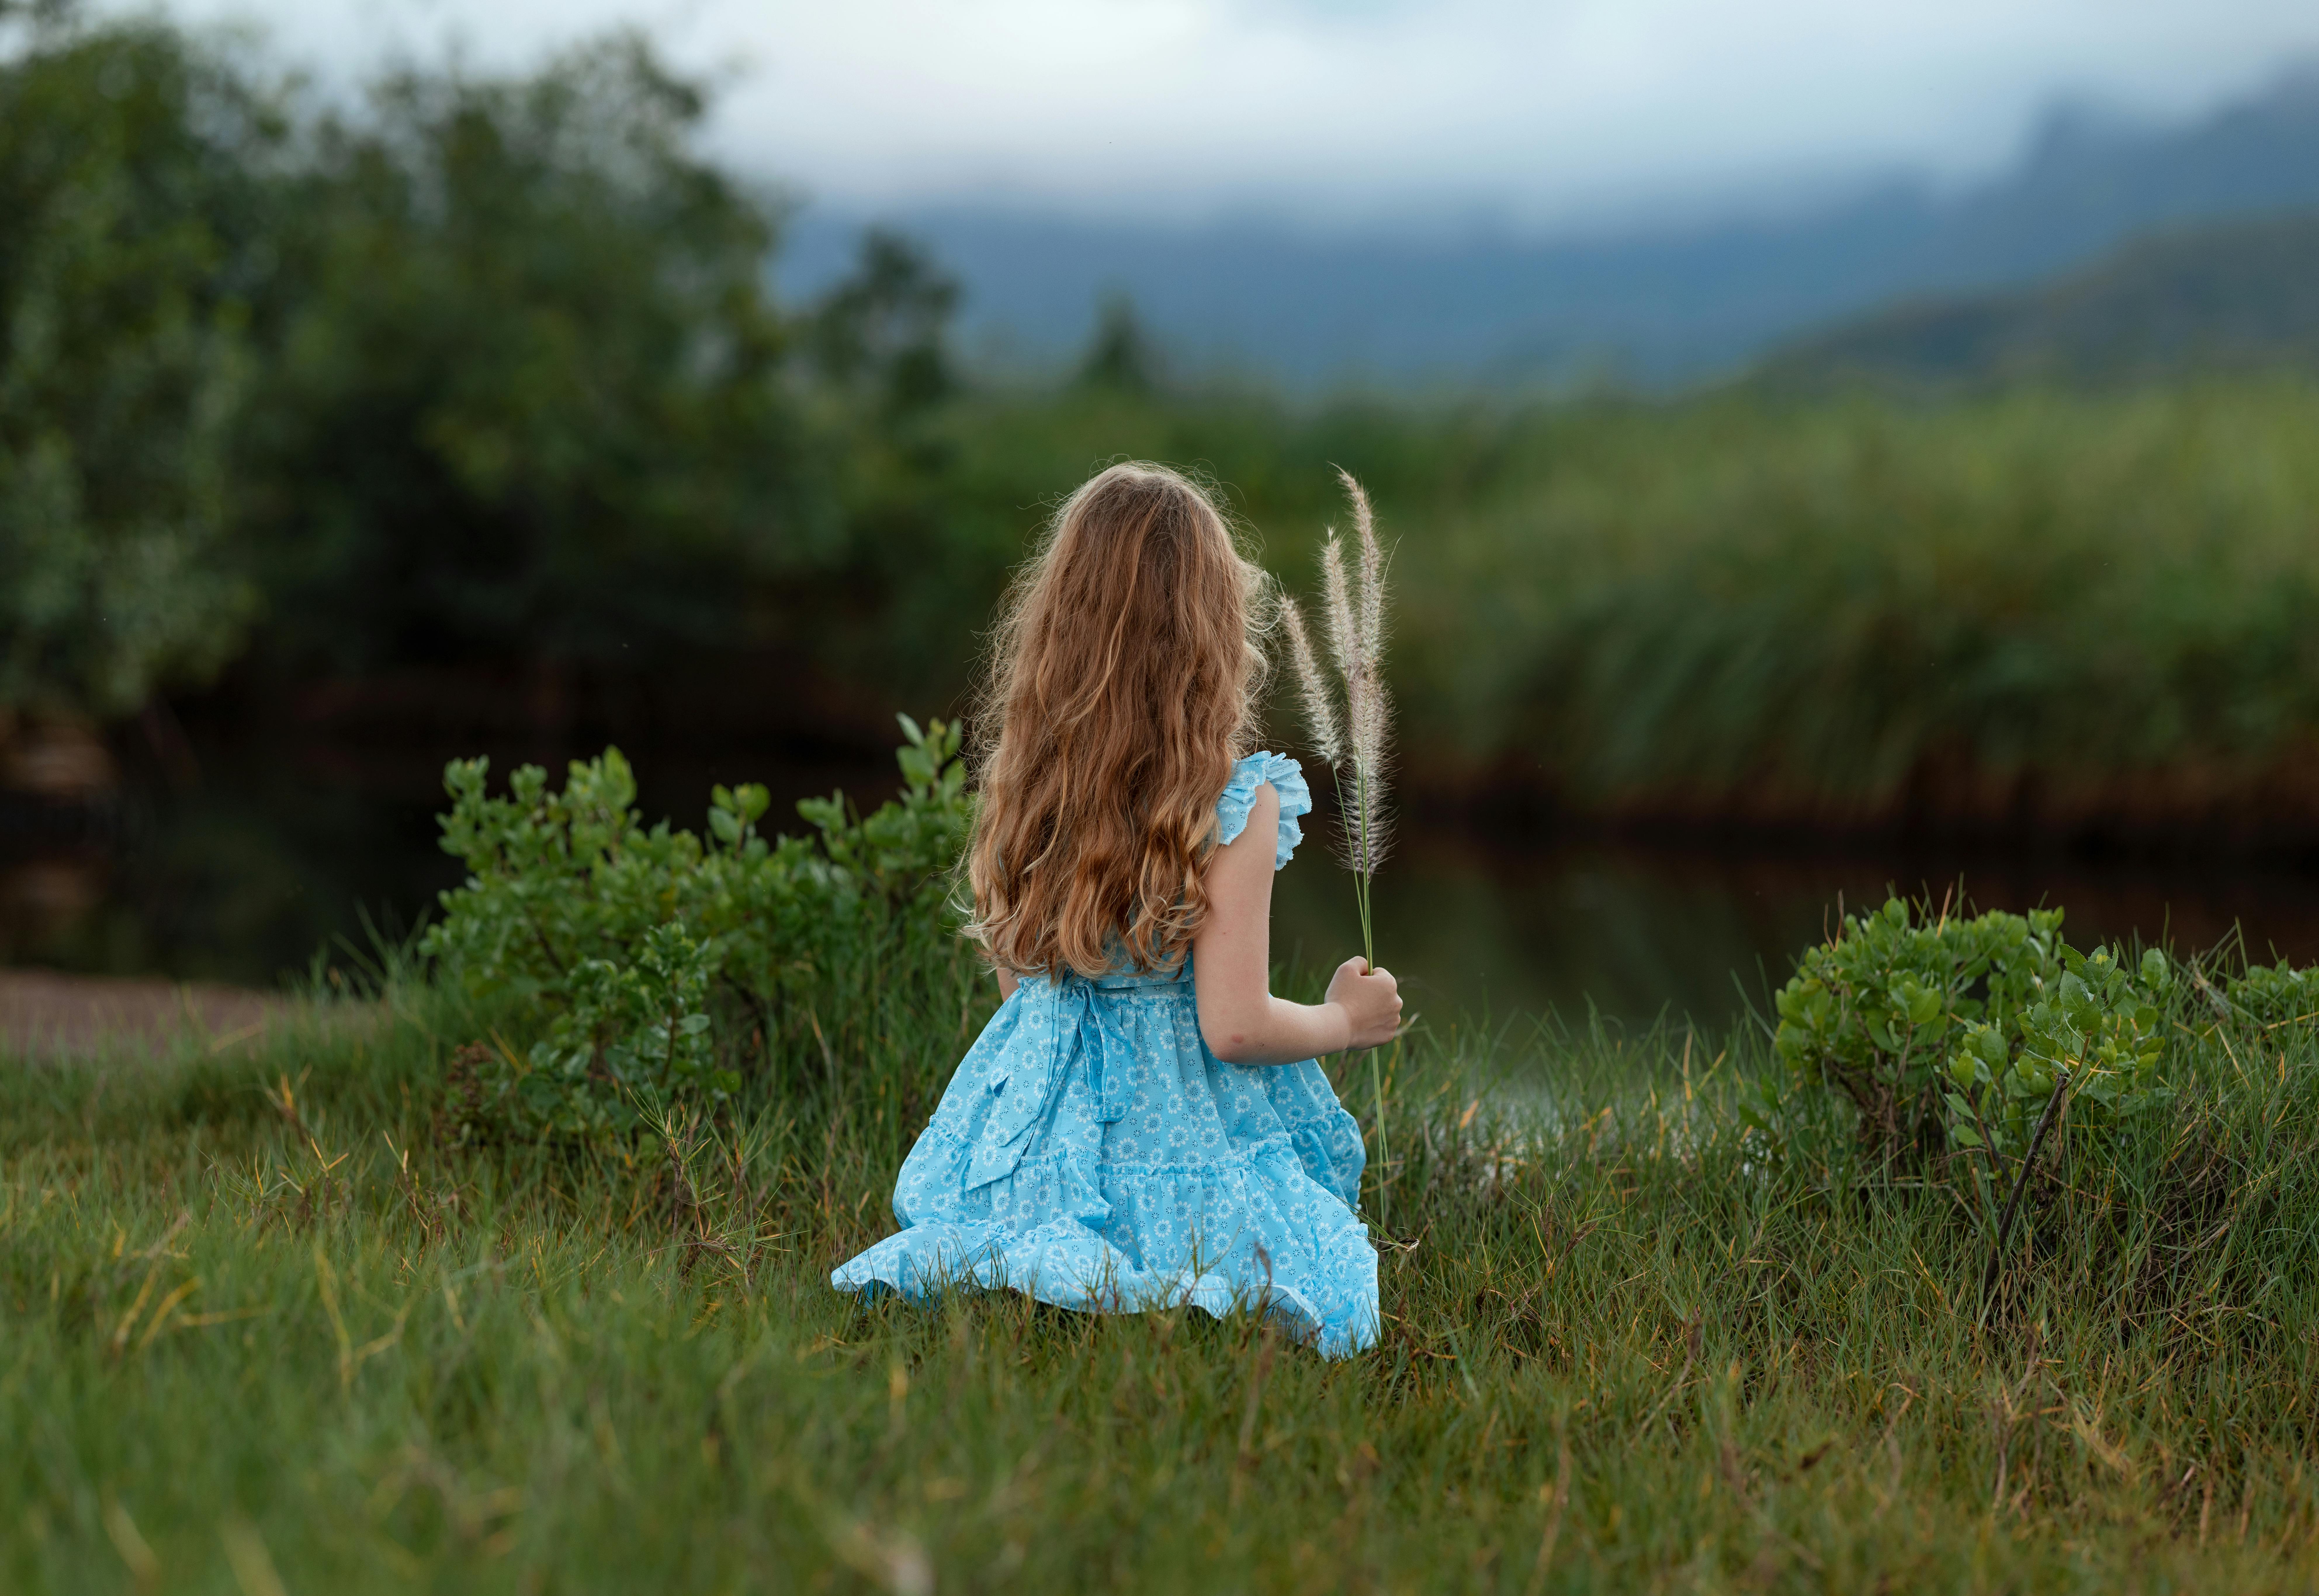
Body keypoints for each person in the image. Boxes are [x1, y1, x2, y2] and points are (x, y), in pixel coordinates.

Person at [831, 462, 1401, 1355]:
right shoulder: (1234, 804)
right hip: (1182, 1130)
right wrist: (1342, 1018)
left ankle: (1054, 1268)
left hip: (1045, 1136)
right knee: (1272, 1255)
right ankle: (1144, 1281)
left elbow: (1020, 982)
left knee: (1042, 1241)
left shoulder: (1029, 778)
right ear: (1214, 631)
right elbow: (1234, 1028)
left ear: (1057, 624)